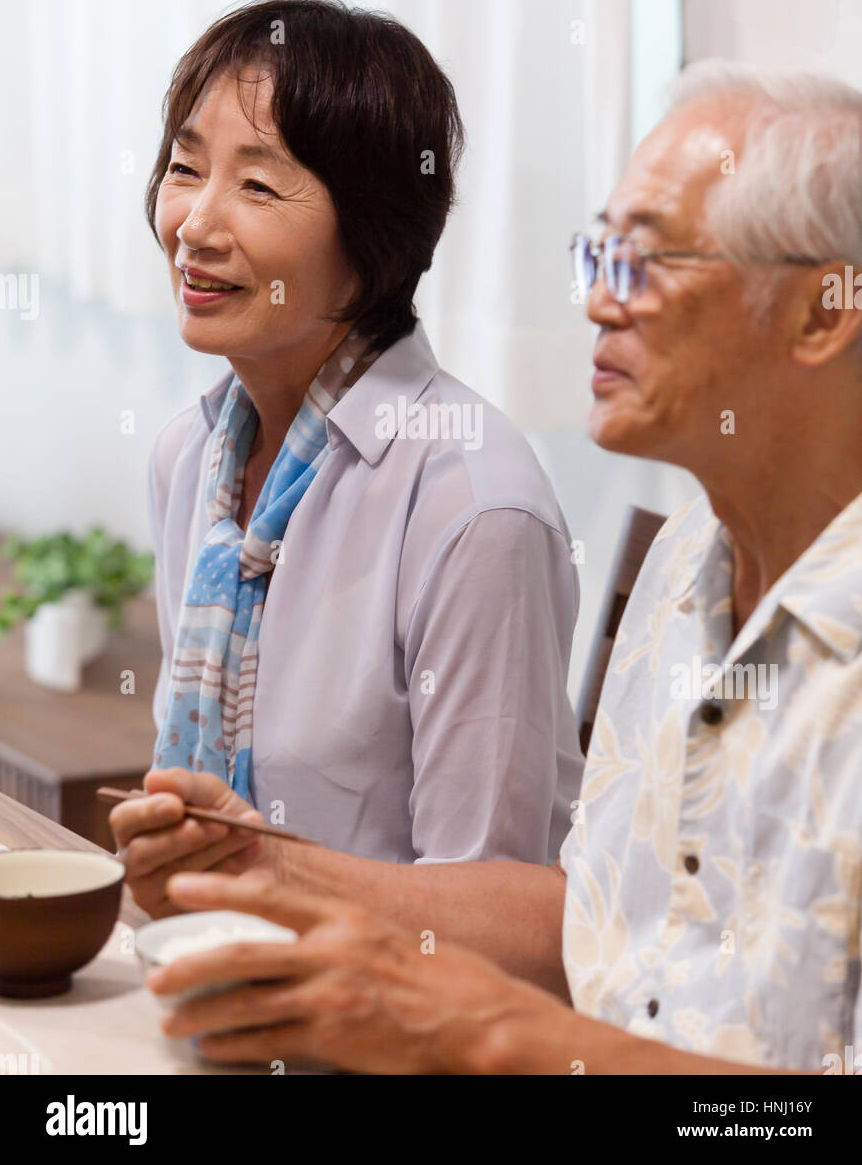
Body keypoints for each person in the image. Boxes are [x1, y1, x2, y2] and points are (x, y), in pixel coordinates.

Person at [146, 64, 862, 1073]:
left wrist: (492, 1031)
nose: (599, 303)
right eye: (597, 254)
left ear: (820, 310)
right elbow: (595, 928)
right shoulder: (684, 567)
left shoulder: (480, 496)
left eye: (653, 260)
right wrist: (266, 861)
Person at [113, 0, 582, 924]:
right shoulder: (190, 460)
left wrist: (277, 900)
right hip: (211, 987)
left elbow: (489, 912)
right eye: (184, 167)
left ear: (371, 244)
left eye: (256, 185)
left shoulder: (472, 506)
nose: (195, 227)